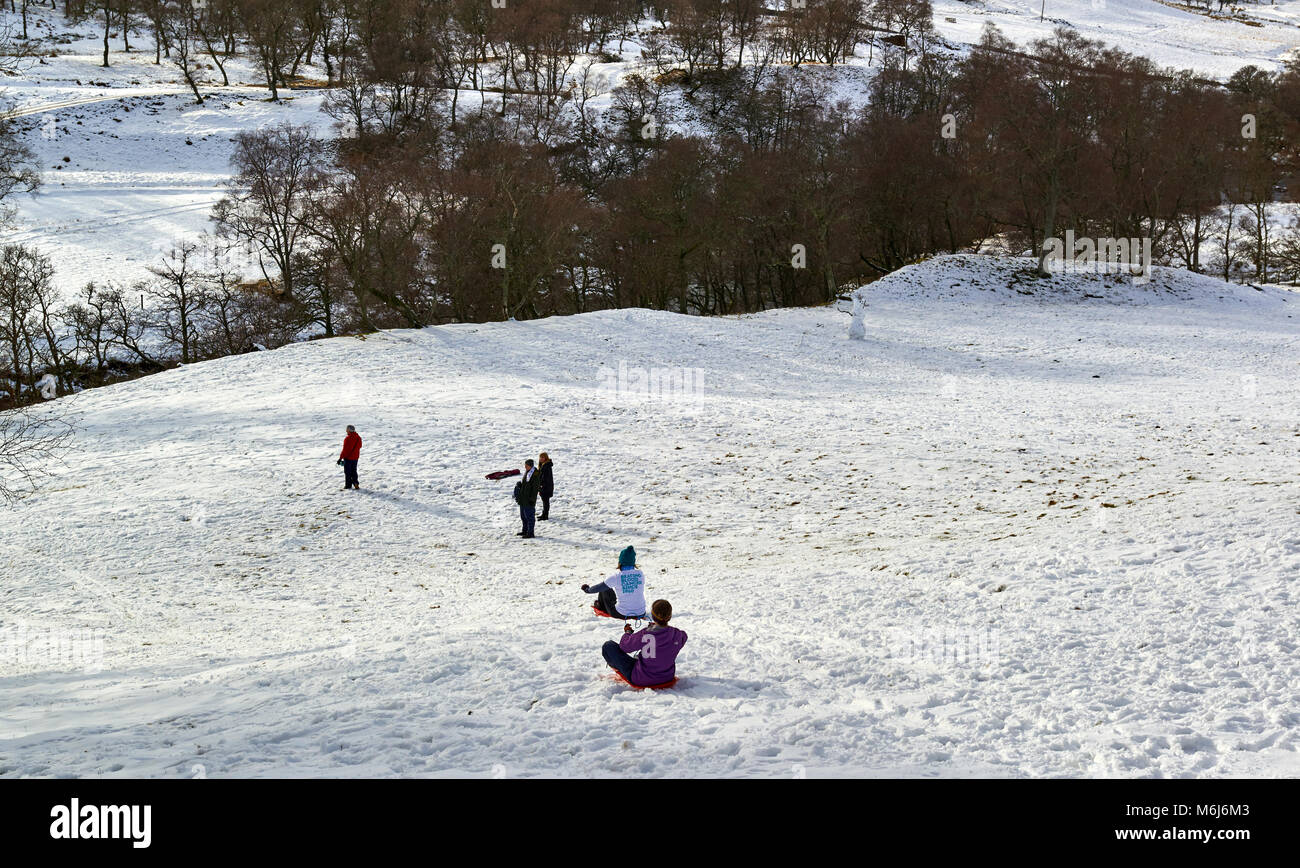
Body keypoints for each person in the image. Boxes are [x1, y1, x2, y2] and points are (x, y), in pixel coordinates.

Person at [602, 599, 687, 687]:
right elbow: (683, 636)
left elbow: (625, 646)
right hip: (666, 677)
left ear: (653, 616)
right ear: (669, 616)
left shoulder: (646, 633)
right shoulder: (677, 634)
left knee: (608, 646)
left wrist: (628, 632)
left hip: (642, 678)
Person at [582, 546, 646, 618]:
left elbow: (598, 588)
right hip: (641, 613)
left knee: (604, 588)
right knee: (610, 587)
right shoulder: (640, 574)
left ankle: (601, 607)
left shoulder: (617, 576)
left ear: (620, 562)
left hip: (622, 614)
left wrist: (587, 590)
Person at [515, 458, 540, 538]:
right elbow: (526, 485)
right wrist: (520, 485)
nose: (525, 467)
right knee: (523, 516)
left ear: (530, 466)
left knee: (529, 517)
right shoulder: (528, 472)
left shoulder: (535, 474)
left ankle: (530, 533)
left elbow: (535, 488)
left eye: (526, 466)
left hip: (529, 499)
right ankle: (525, 530)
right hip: (523, 498)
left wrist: (532, 499)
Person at [337, 425, 361, 490]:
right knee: (354, 470)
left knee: (347, 472)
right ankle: (356, 483)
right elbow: (360, 446)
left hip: (348, 458)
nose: (346, 431)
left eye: (347, 429)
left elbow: (345, 450)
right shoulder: (358, 437)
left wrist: (340, 458)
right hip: (355, 457)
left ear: (349, 430)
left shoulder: (347, 438)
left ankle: (348, 485)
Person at [538, 452, 554, 520]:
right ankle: (544, 514)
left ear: (545, 458)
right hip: (544, 486)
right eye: (540, 457)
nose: (541, 459)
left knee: (545, 501)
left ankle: (545, 515)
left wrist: (541, 485)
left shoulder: (546, 466)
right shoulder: (543, 465)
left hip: (546, 487)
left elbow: (545, 478)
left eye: (542, 457)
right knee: (544, 501)